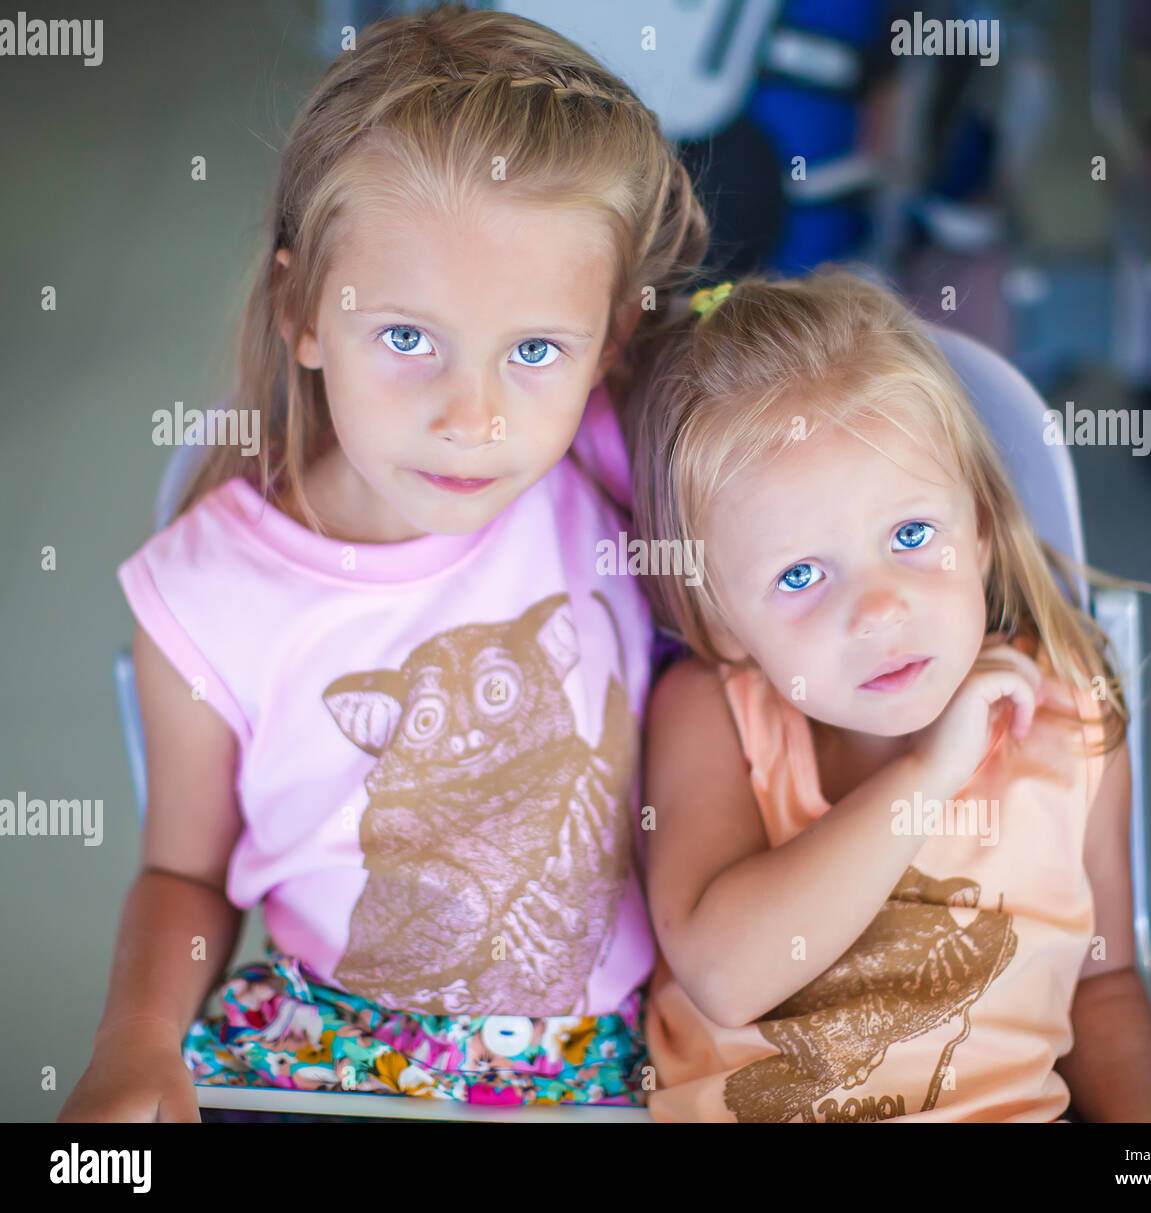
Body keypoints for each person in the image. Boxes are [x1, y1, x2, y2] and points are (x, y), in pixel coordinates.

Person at [58, 3, 709, 1121]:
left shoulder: (614, 471)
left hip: (622, 1066)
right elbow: (184, 876)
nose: (472, 416)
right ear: (300, 309)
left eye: (535, 350)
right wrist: (135, 1040)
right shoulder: (204, 598)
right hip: (332, 1061)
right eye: (407, 337)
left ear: (605, 348)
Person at [621, 270, 1151, 1122]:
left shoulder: (1068, 717)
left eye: (912, 535)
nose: (879, 608)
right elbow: (728, 977)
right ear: (722, 616)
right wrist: (930, 772)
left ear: (983, 531)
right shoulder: (710, 710)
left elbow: (1103, 982)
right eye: (801, 574)